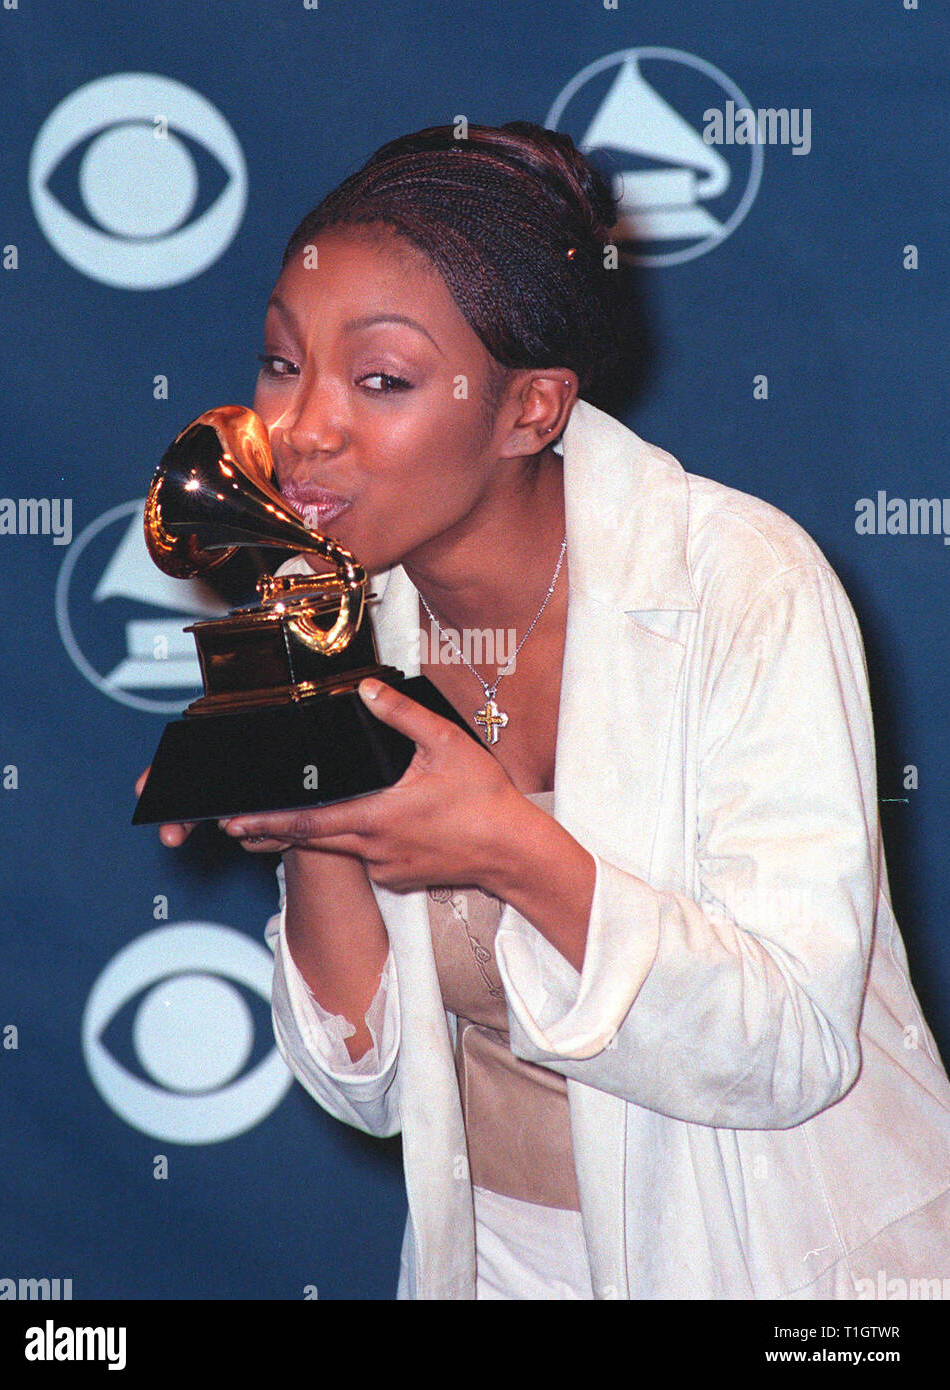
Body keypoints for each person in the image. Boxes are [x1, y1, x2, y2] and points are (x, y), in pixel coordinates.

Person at [141, 122, 950, 1300]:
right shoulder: (348, 607)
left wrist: (512, 850)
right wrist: (319, 820)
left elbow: (789, 1049)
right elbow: (368, 1087)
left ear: (530, 409)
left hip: (784, 1266)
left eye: (381, 379)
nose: (302, 427)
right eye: (281, 362)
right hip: (497, 1264)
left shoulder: (743, 584)